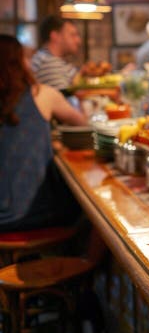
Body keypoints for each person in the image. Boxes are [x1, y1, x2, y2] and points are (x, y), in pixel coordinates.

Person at [0, 34, 87, 231]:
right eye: (25, 57)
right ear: (17, 63)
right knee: (91, 206)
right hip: (23, 215)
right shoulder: (41, 94)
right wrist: (81, 99)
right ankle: (81, 252)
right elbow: (82, 124)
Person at [30, 15, 82, 91]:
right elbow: (64, 97)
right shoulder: (48, 63)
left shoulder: (54, 60)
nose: (78, 40)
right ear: (55, 36)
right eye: (72, 35)